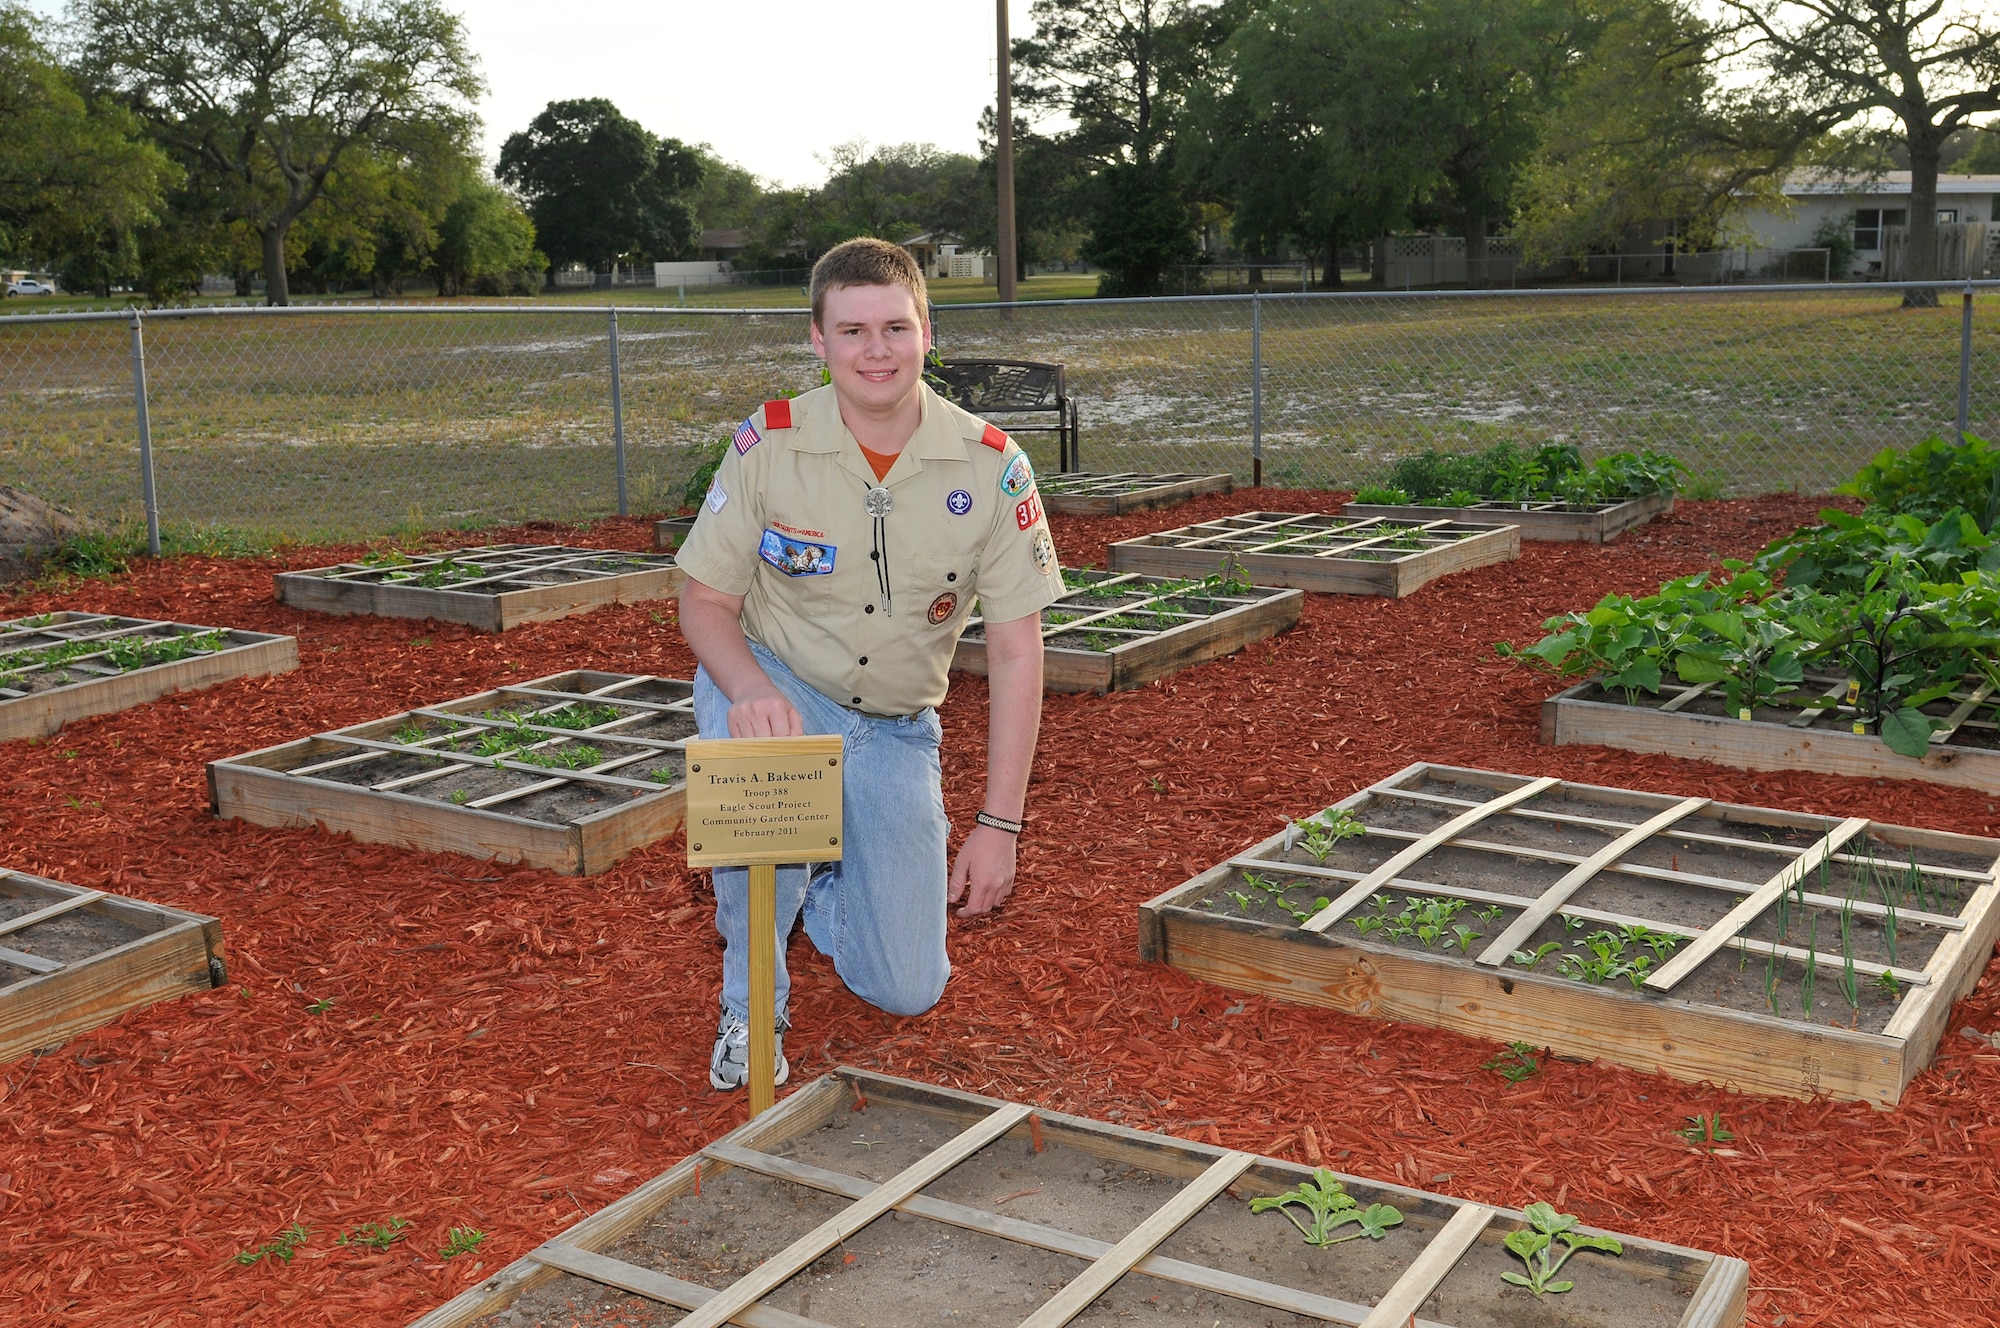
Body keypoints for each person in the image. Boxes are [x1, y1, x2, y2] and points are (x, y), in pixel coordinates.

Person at [674, 237, 1064, 1091]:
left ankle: (817, 887)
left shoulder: (993, 467)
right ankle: (751, 1001)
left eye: (895, 327)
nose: (875, 350)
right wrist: (744, 689)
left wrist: (1000, 826)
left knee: (907, 988)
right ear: (817, 340)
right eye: (852, 331)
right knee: (757, 778)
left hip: (894, 727)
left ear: (929, 331)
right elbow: (704, 601)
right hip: (780, 686)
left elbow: (1015, 646)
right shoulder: (768, 444)